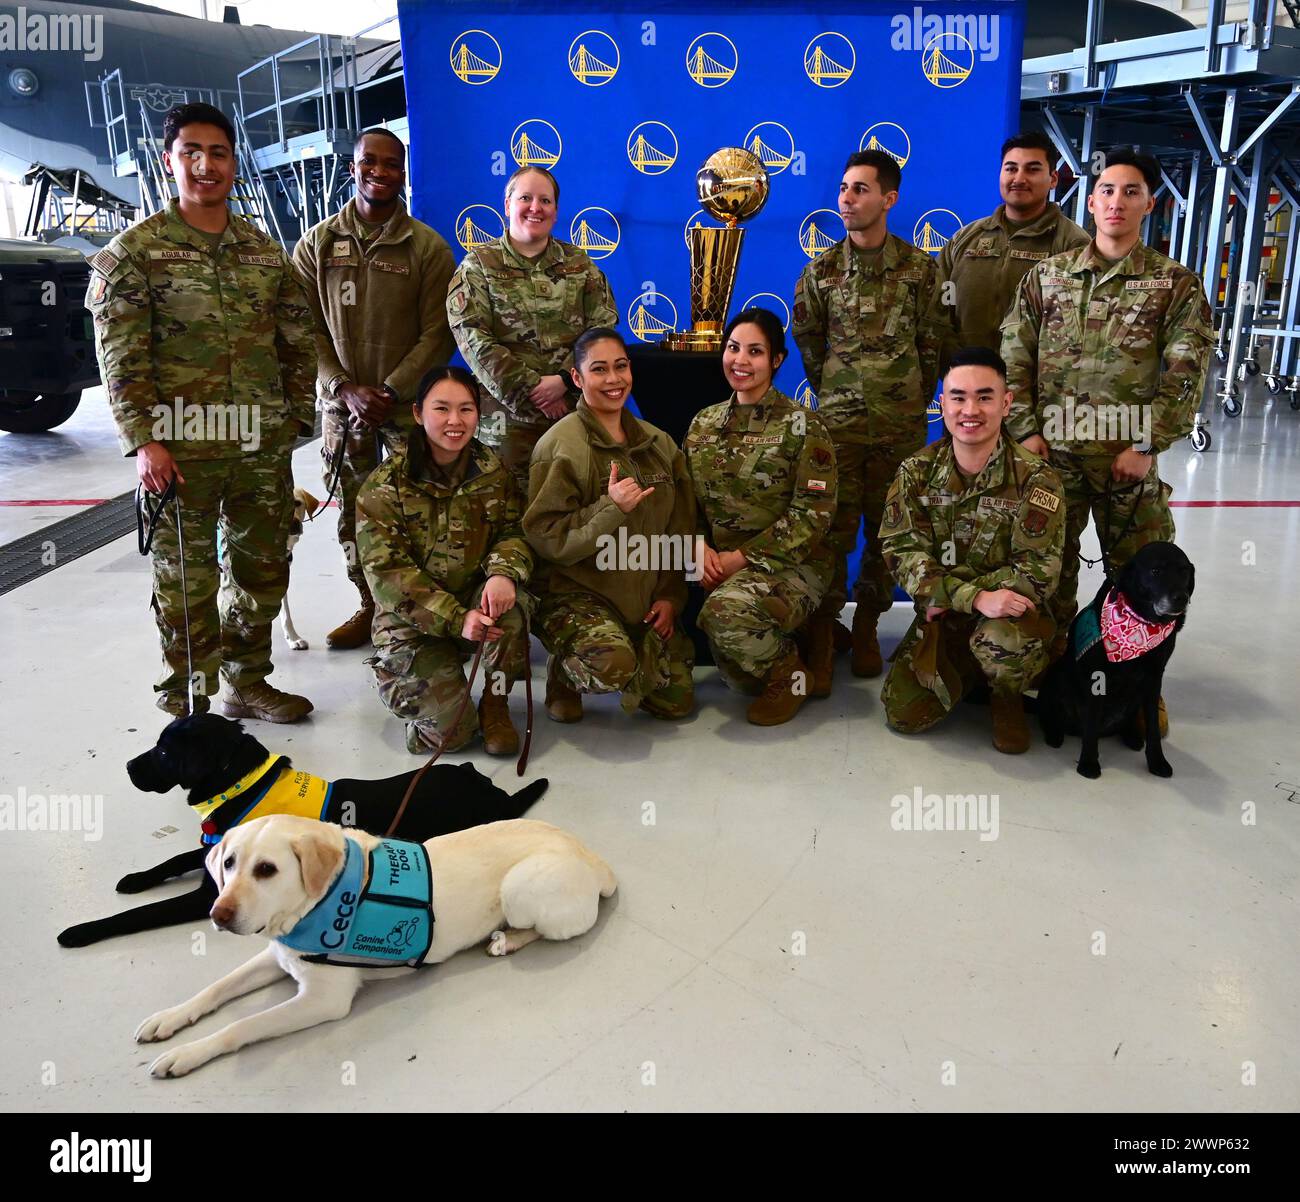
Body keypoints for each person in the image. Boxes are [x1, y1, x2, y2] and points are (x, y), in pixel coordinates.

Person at [85, 102, 315, 722]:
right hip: (180, 451)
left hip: (257, 447)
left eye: (218, 153)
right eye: (192, 152)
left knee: (261, 568)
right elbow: (121, 356)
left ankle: (249, 681)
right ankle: (187, 695)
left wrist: (295, 422)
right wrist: (144, 443)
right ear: (170, 162)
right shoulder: (136, 253)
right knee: (186, 580)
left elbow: (296, 339)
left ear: (234, 164)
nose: (205, 165)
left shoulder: (265, 255)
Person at [1001, 148, 1212, 730]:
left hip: (1129, 463)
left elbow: (1185, 372)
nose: (1116, 201)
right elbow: (1014, 356)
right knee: (1047, 575)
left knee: (1144, 579)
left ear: (1150, 203)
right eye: (1107, 190)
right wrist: (1025, 435)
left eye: (1130, 191)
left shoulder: (1174, 285)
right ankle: (1050, 680)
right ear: (1090, 201)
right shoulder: (1047, 278)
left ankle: (1142, 687)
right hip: (1055, 459)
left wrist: (1145, 445)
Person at [293, 127, 457, 651]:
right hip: (342, 412)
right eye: (370, 162)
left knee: (420, 511)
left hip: (408, 411)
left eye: (391, 164)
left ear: (403, 172)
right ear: (353, 166)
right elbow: (301, 326)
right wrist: (343, 387)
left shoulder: (427, 248)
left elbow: (440, 332)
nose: (379, 172)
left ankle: (424, 611)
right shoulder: (317, 244)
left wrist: (389, 389)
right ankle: (371, 605)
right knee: (354, 512)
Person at [792, 149, 942, 694]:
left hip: (900, 427)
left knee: (889, 530)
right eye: (844, 189)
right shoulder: (822, 271)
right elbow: (809, 344)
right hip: (838, 428)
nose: (847, 199)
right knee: (830, 529)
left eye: (860, 189)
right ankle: (824, 630)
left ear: (889, 198)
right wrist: (839, 390)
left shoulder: (920, 270)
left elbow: (932, 346)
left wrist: (906, 397)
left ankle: (868, 622)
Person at [879, 347, 1065, 753]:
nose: (970, 410)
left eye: (984, 397)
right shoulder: (916, 471)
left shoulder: (1037, 479)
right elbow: (901, 551)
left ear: (1006, 403)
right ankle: (964, 667)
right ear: (942, 403)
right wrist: (971, 597)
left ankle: (1005, 694)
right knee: (903, 716)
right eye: (958, 397)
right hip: (946, 612)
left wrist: (953, 595)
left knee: (1003, 647)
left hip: (1008, 616)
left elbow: (1037, 571)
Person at [356, 367, 533, 755]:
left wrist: (503, 573)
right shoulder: (385, 487)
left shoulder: (493, 471)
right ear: (419, 414)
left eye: (466, 409)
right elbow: (388, 576)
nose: (455, 421)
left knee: (512, 608)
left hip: (473, 600)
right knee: (450, 739)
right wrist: (456, 618)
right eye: (442, 409)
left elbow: (513, 531)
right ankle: (433, 692)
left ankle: (495, 702)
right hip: (411, 621)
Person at [523, 328, 696, 722]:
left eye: (620, 367)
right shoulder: (560, 447)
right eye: (599, 370)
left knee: (677, 702)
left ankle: (632, 652)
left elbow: (680, 532)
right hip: (579, 595)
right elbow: (547, 540)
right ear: (578, 379)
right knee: (611, 666)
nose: (613, 380)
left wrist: (671, 598)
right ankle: (564, 675)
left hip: (643, 601)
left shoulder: (659, 444)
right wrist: (610, 508)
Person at [685, 308, 838, 726]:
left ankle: (793, 673)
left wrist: (741, 559)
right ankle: (803, 636)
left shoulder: (803, 426)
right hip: (720, 567)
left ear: (777, 361)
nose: (741, 360)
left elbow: (812, 514)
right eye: (734, 348)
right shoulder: (702, 425)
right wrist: (698, 547)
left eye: (755, 351)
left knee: (723, 617)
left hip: (794, 563)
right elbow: (689, 506)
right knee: (738, 680)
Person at [447, 166, 618, 493]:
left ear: (555, 212)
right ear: (508, 205)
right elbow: (473, 337)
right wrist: (533, 390)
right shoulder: (479, 266)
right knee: (505, 510)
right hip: (507, 422)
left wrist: (565, 381)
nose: (535, 207)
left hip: (574, 412)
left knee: (575, 502)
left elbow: (602, 330)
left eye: (546, 200)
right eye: (525, 198)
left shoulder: (580, 264)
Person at [936, 131, 1089, 371]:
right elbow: (935, 309)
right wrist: (956, 366)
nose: (1019, 178)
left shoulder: (1073, 245)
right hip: (967, 385)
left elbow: (1079, 327)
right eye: (1011, 168)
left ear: (1053, 179)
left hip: (1035, 392)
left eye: (1032, 169)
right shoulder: (965, 239)